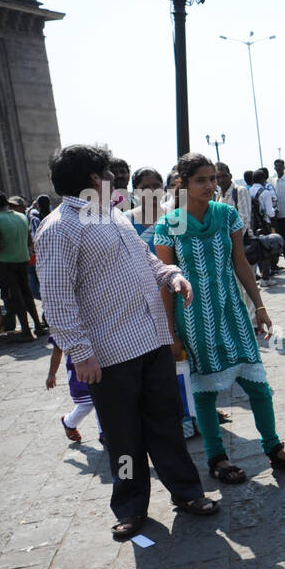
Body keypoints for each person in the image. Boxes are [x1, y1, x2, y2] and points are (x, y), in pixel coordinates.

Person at [35, 143, 218, 538]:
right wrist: (81, 354)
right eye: (107, 174)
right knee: (123, 439)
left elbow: (144, 258)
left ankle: (187, 493)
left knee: (167, 425)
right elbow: (57, 298)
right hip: (108, 354)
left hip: (150, 340)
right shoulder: (58, 228)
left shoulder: (110, 214)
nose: (114, 180)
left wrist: (171, 275)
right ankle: (131, 508)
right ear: (91, 179)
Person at [152, 152, 285, 482]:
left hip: (232, 311)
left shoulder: (226, 215)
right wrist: (169, 331)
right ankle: (217, 459)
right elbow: (165, 281)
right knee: (206, 392)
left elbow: (240, 263)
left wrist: (261, 306)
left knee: (257, 382)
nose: (210, 185)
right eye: (201, 180)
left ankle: (273, 448)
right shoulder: (171, 223)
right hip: (193, 318)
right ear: (184, 184)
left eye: (213, 179)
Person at [0, 192, 44, 341]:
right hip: (23, 259)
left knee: (15, 296)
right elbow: (29, 242)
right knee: (27, 293)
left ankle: (26, 331)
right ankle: (38, 326)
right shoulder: (22, 217)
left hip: (6, 262)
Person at [47, 335, 100, 443]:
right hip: (78, 371)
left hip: (100, 365)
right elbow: (57, 352)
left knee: (103, 400)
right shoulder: (61, 326)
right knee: (87, 403)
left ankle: (104, 432)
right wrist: (52, 374)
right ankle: (69, 422)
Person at [125, 168, 166, 251]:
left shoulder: (173, 217)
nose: (152, 191)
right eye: (145, 187)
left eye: (156, 186)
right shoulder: (127, 220)